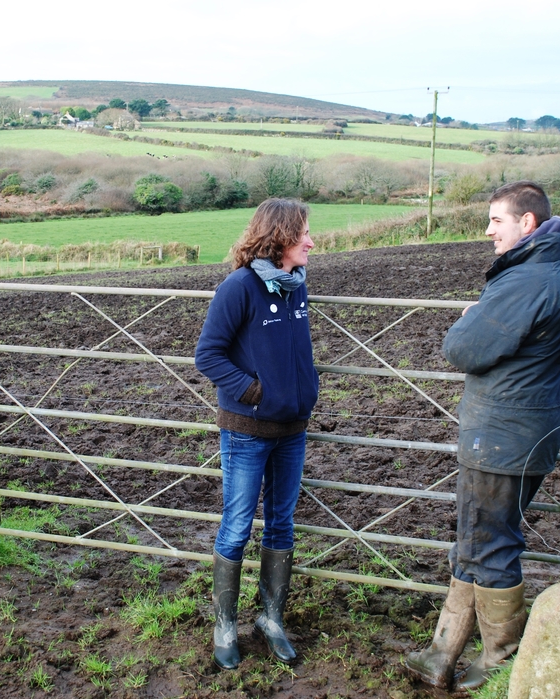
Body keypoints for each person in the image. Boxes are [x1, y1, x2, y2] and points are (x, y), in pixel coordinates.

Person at [406, 181, 560, 692]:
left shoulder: (526, 279)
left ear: (527, 223)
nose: (488, 230)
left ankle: (500, 661)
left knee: (489, 544)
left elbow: (464, 350)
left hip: (500, 433)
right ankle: (440, 655)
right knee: (476, 540)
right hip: (529, 426)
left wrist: (471, 319)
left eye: (496, 220)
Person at [194, 198, 319, 670]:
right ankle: (225, 626)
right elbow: (208, 355)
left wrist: (303, 391)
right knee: (237, 526)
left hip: (292, 429)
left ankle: (271, 620)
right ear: (280, 236)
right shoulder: (239, 287)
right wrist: (253, 392)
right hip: (247, 429)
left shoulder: (296, 287)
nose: (311, 242)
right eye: (303, 233)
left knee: (282, 522)